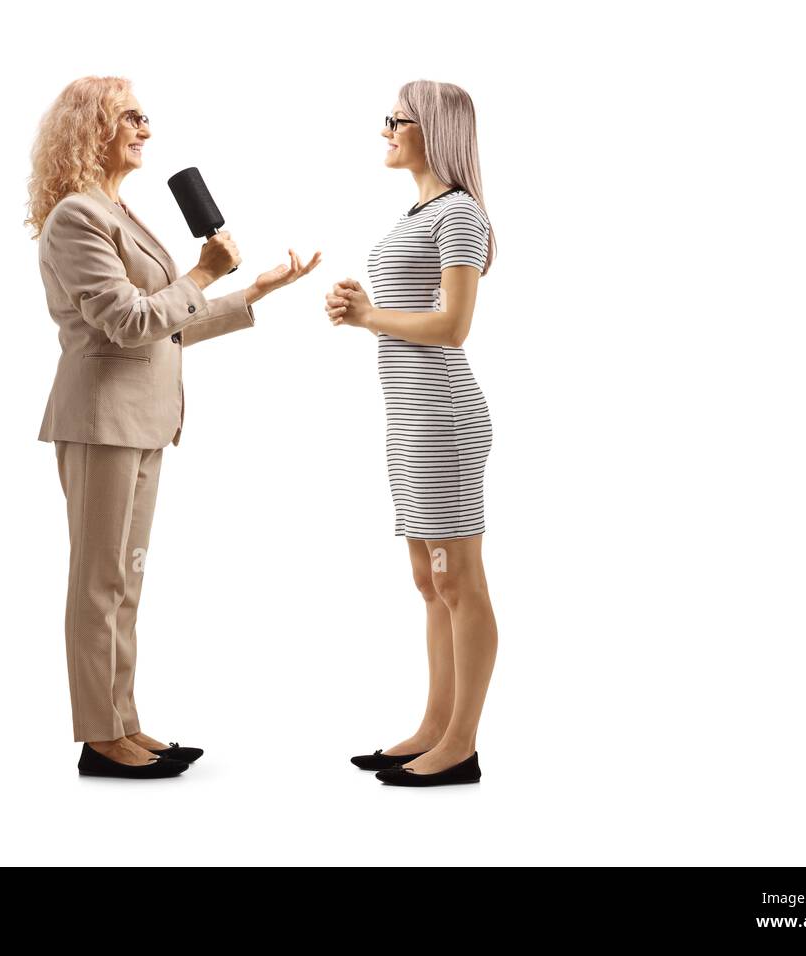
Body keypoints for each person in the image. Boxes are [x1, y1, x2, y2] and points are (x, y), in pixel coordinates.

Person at [26, 76, 320, 779]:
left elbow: (167, 326)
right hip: (101, 420)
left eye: (146, 117)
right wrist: (202, 270)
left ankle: (125, 722)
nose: (146, 129)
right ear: (90, 127)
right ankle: (101, 738)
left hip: (147, 420)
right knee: (99, 583)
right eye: (131, 117)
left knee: (125, 580)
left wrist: (251, 291)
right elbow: (127, 323)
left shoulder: (118, 210)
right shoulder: (77, 218)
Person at [325, 80, 499, 787]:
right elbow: (403, 308)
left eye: (396, 120)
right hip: (410, 417)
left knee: (459, 581)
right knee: (430, 584)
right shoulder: (417, 213)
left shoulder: (458, 214)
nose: (386, 131)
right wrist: (356, 307)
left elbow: (453, 326)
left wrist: (369, 318)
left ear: (432, 128)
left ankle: (460, 744)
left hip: (443, 418)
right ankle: (432, 726)